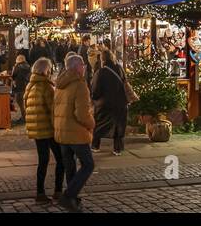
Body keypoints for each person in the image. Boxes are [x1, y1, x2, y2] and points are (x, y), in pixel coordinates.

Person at [53, 54, 95, 212]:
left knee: (70, 166)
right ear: (77, 67)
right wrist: (92, 124)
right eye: (83, 65)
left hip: (62, 132)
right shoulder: (79, 84)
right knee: (88, 165)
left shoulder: (60, 83)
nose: (84, 67)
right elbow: (82, 114)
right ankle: (69, 195)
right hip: (76, 132)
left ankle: (72, 197)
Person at [23, 57, 64, 203]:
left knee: (43, 161)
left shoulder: (30, 85)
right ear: (45, 70)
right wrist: (58, 128)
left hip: (36, 129)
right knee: (61, 160)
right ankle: (58, 191)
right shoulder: (46, 87)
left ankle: (40, 192)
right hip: (48, 129)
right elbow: (53, 110)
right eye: (49, 69)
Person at [90, 49, 129, 154]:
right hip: (121, 103)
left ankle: (95, 145)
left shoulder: (100, 72)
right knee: (118, 126)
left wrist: (94, 98)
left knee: (98, 125)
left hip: (105, 104)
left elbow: (95, 90)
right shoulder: (120, 69)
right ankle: (118, 148)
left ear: (103, 59)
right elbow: (125, 82)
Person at [10, 53, 30, 118]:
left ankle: (24, 117)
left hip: (19, 86)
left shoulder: (17, 66)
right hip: (26, 86)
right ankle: (26, 116)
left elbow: (13, 76)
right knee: (25, 102)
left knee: (20, 103)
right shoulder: (27, 66)